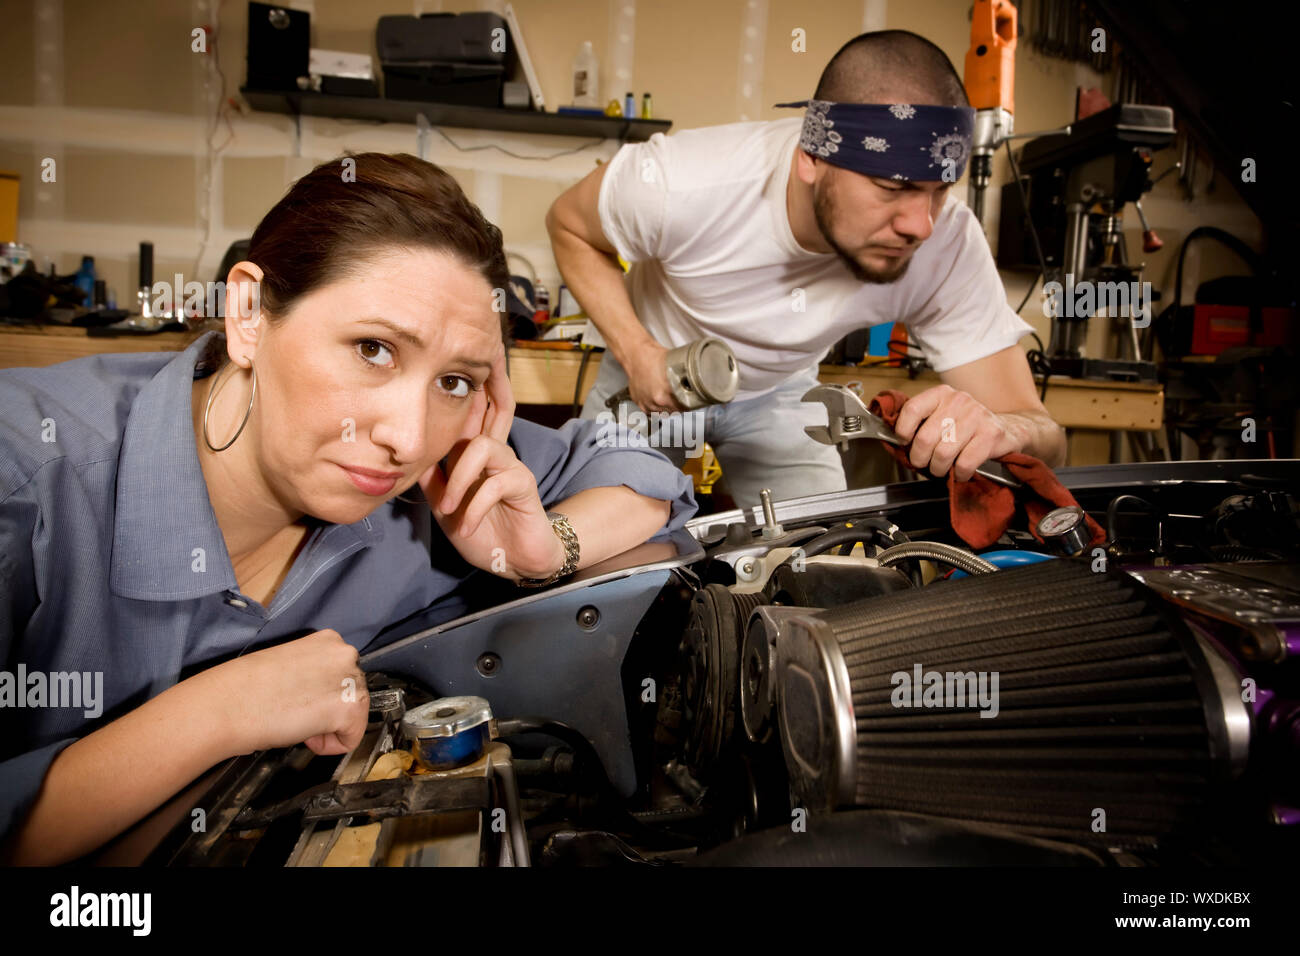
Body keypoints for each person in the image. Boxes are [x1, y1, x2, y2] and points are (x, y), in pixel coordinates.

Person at [0, 153, 696, 864]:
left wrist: (548, 548)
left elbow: (638, 471)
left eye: (454, 379)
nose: (406, 437)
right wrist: (220, 713)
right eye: (373, 348)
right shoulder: (25, 482)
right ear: (248, 315)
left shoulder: (446, 472)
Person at [548, 30, 1066, 508]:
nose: (921, 225)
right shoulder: (682, 183)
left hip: (780, 388)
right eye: (893, 188)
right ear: (810, 159)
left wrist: (1002, 428)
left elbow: (1047, 436)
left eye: (938, 191)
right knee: (602, 556)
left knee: (821, 556)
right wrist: (637, 353)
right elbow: (567, 225)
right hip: (655, 374)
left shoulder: (946, 242)